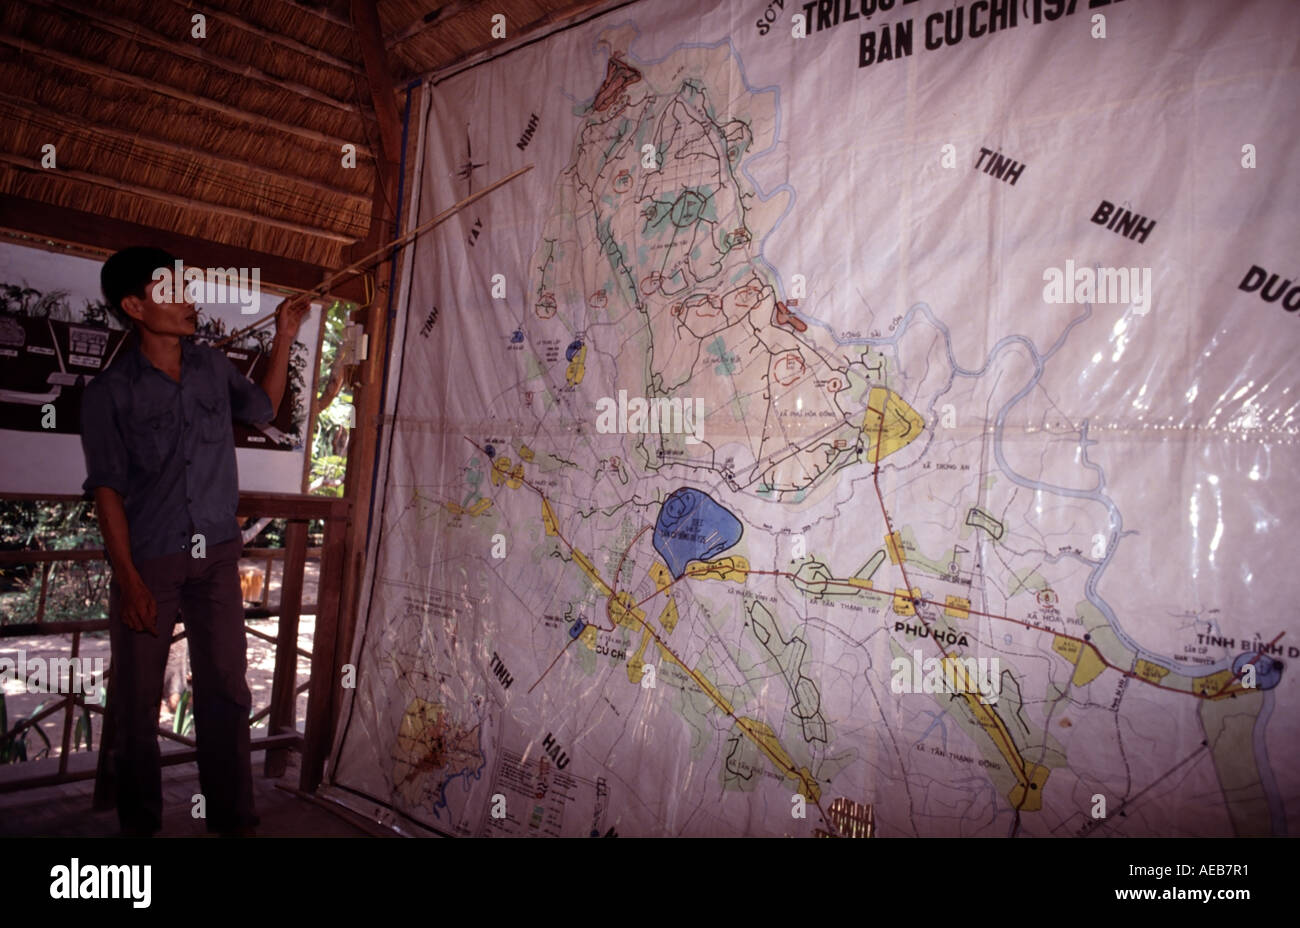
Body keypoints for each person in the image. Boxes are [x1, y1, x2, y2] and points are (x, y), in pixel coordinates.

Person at [80, 247, 309, 837]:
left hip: (216, 558)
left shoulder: (210, 367)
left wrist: (284, 335)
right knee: (134, 704)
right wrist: (128, 577)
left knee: (228, 693)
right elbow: (106, 489)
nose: (189, 300)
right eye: (172, 291)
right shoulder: (110, 392)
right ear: (135, 306)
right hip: (150, 561)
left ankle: (233, 823)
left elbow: (262, 407)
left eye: (188, 288)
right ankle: (141, 835)